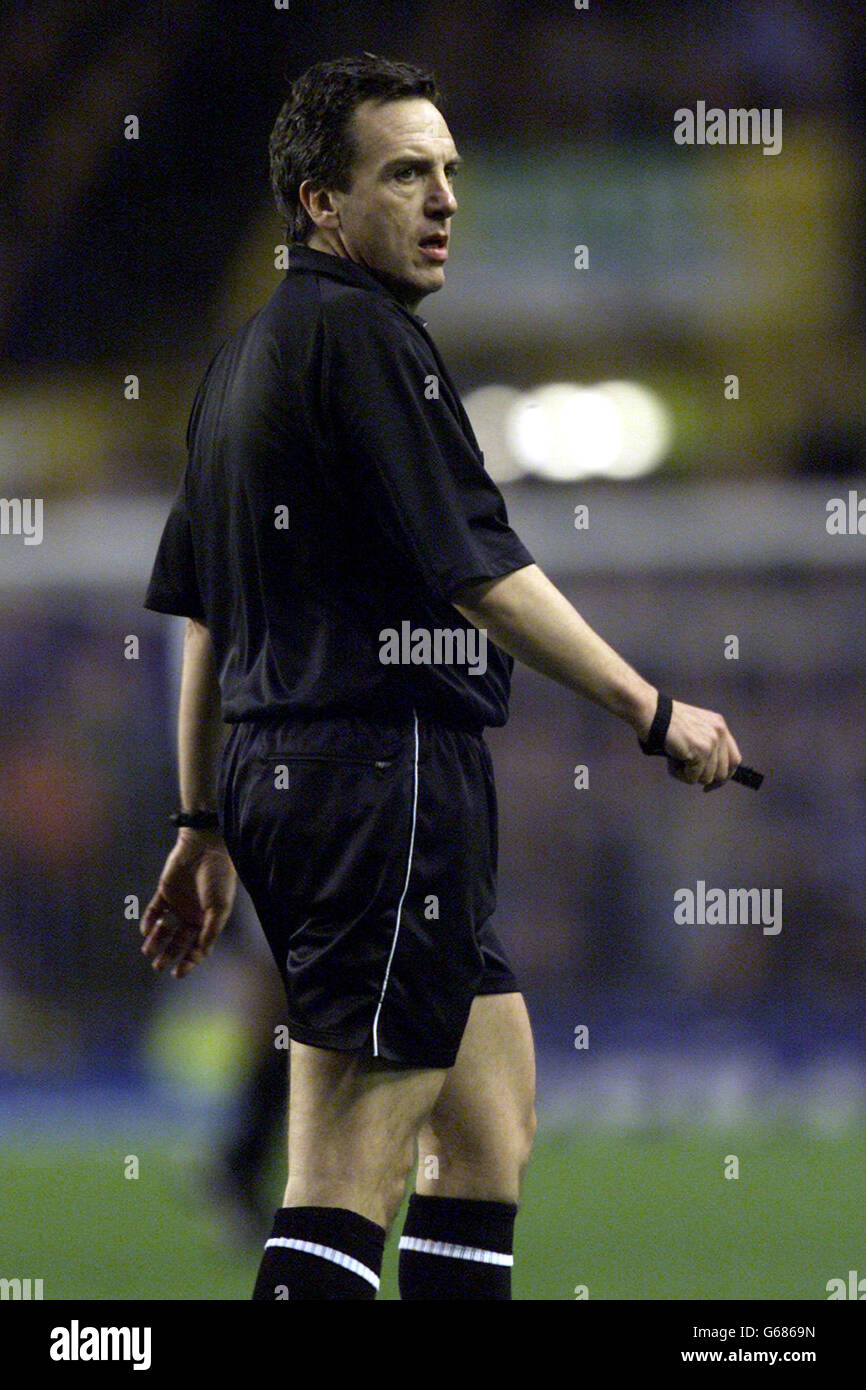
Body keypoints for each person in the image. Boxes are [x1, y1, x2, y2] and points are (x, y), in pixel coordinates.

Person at [140, 53, 742, 1301]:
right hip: (382, 785)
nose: (444, 198)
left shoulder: (242, 358)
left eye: (449, 170)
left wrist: (200, 822)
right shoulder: (369, 343)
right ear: (319, 200)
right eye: (405, 172)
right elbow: (483, 579)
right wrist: (652, 711)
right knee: (342, 1176)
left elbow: (203, 613)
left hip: (295, 785)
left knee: (484, 1130)